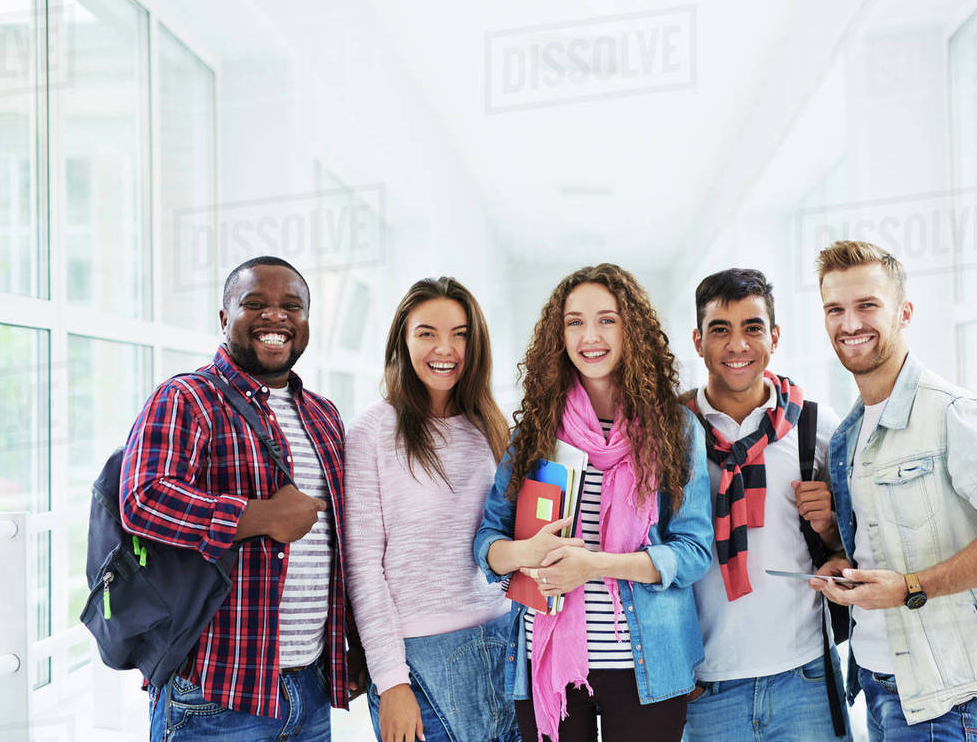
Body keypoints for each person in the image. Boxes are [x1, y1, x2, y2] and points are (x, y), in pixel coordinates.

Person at [811, 240, 977, 740]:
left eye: (867, 305)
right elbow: (885, 543)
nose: (850, 324)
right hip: (876, 679)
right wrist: (844, 561)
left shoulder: (951, 413)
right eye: (835, 309)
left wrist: (910, 588)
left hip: (942, 697)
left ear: (904, 312)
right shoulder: (849, 432)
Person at [121, 255, 364, 742]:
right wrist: (259, 517)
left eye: (291, 306)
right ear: (224, 317)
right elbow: (143, 500)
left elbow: (342, 544)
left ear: (306, 322)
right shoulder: (187, 398)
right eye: (254, 304)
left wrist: (353, 643)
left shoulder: (324, 415)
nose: (275, 316)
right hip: (214, 692)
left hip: (311, 685)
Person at [475, 263, 713, 742]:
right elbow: (487, 543)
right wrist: (523, 552)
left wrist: (595, 565)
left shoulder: (676, 429)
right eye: (575, 322)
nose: (590, 336)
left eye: (607, 320)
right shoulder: (535, 433)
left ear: (631, 330)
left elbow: (694, 552)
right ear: (559, 336)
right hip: (548, 666)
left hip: (647, 666)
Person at [345, 277, 519, 742]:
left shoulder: (491, 426)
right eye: (427, 333)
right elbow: (363, 569)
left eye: (460, 334)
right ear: (402, 340)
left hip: (504, 644)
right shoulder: (372, 432)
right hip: (418, 665)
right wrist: (392, 682)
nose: (446, 348)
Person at [680, 268, 850, 742]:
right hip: (706, 689)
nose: (737, 345)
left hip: (806, 679)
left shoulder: (816, 425)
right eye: (720, 329)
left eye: (752, 328)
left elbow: (857, 544)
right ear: (698, 341)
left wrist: (831, 528)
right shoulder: (670, 432)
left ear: (774, 337)